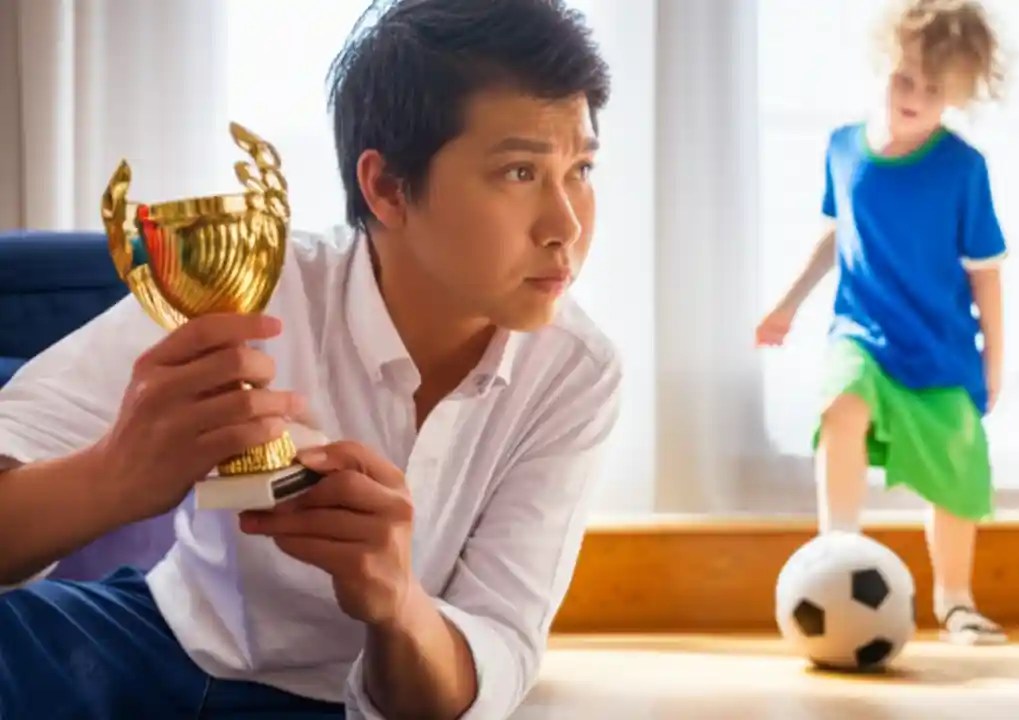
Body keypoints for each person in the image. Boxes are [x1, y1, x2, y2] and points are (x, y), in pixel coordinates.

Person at [0, 1, 617, 718]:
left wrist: (395, 602)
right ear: (386, 187)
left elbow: (494, 659)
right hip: (159, 636)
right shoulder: (251, 283)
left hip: (367, 697)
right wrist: (113, 476)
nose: (566, 224)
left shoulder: (578, 372)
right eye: (519, 172)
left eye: (581, 168)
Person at [755, 0, 1008, 645]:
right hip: (861, 331)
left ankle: (955, 598)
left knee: (957, 470)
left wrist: (994, 361)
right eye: (904, 79)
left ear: (958, 93)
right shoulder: (843, 148)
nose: (915, 97)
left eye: (934, 88)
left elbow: (986, 274)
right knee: (840, 403)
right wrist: (787, 304)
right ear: (882, 66)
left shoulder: (962, 168)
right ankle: (836, 551)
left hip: (941, 350)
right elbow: (835, 234)